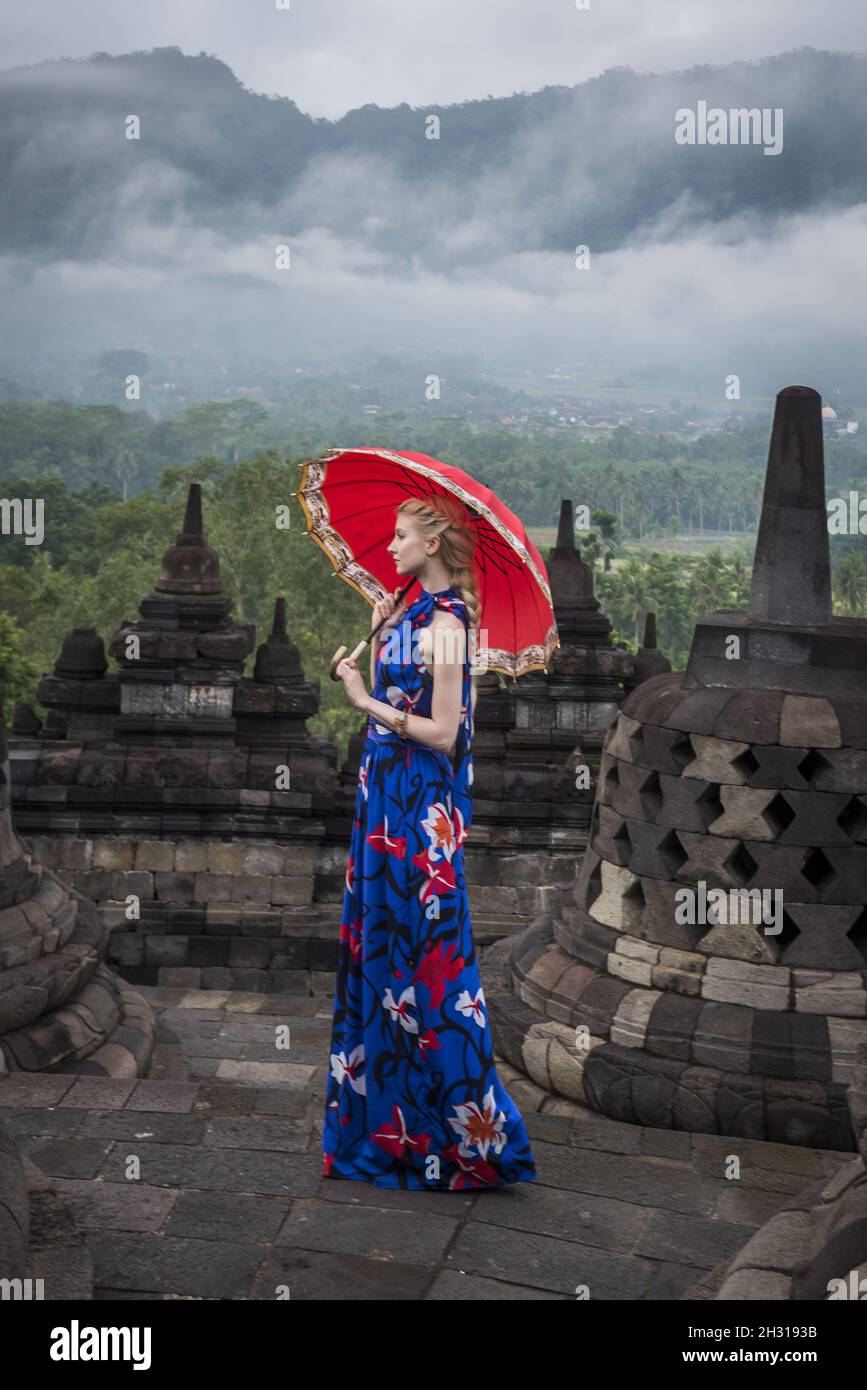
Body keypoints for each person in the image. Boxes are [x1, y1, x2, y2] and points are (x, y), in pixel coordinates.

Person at [321, 492, 537, 1190]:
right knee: (383, 961)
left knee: (428, 970)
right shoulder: (408, 610)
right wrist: (377, 635)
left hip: (416, 810)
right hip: (384, 802)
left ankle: (466, 1139)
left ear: (435, 544)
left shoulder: (446, 624)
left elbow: (442, 732)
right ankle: (390, 1125)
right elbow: (405, 695)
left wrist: (362, 703)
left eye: (400, 536)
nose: (389, 547)